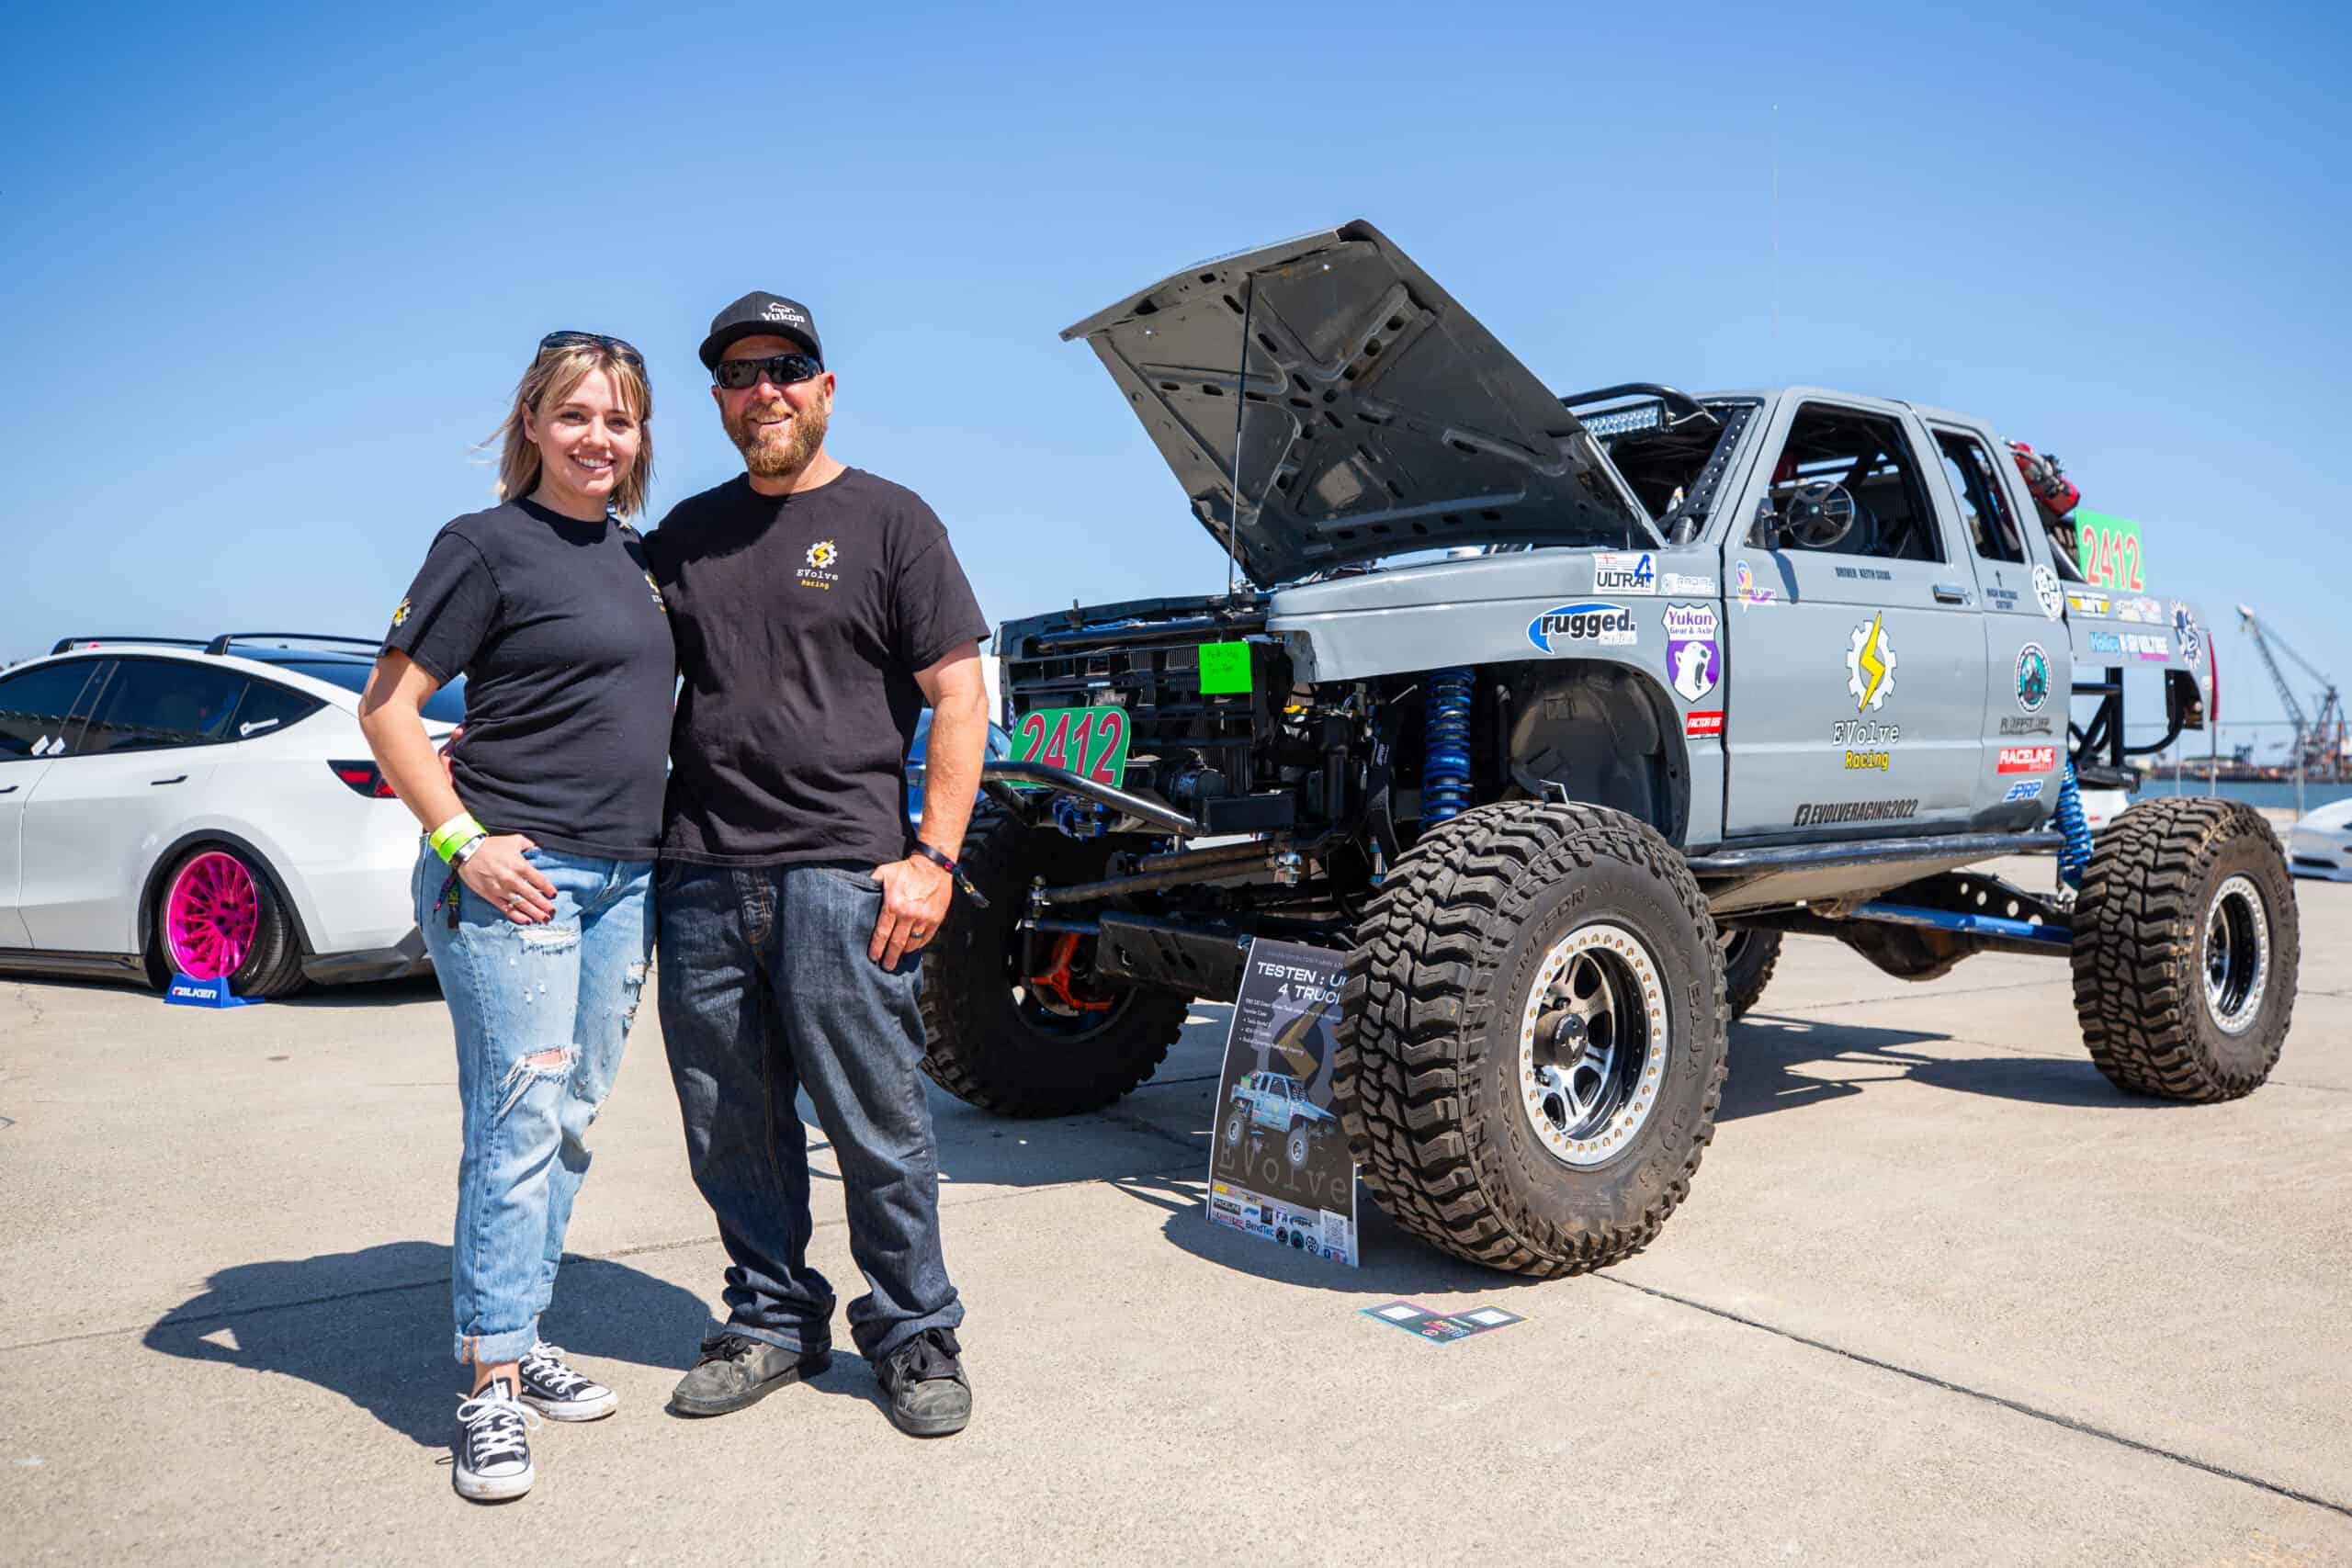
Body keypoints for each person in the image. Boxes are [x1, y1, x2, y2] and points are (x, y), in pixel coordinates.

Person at [642, 293, 992, 1438]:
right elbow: (600, 660)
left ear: (824, 387)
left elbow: (957, 694)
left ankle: (912, 1331)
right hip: (700, 874)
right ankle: (772, 1321)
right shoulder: (686, 536)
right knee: (728, 1123)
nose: (765, 390)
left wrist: (933, 856)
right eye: (741, 375)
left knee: (876, 1120)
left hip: (845, 878)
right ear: (719, 401)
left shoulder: (892, 522)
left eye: (786, 367)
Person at [359, 332, 674, 1502]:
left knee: (574, 1118)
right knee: (518, 1117)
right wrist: (462, 841)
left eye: (622, 421)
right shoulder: (482, 546)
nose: (600, 438)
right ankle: (488, 1388)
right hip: (514, 879)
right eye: (578, 415)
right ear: (533, 423)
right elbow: (388, 710)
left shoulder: (637, 560)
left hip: (622, 880)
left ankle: (519, 1329)